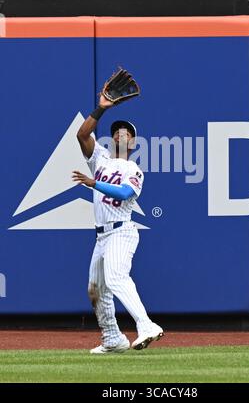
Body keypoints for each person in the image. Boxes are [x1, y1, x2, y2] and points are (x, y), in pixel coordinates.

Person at [73, 92, 164, 354]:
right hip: (101, 236)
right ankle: (113, 338)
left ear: (134, 141)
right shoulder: (99, 158)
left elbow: (125, 193)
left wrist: (94, 183)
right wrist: (100, 109)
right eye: (117, 130)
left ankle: (146, 325)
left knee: (115, 277)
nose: (121, 133)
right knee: (96, 290)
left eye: (126, 132)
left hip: (122, 231)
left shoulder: (133, 170)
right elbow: (81, 135)